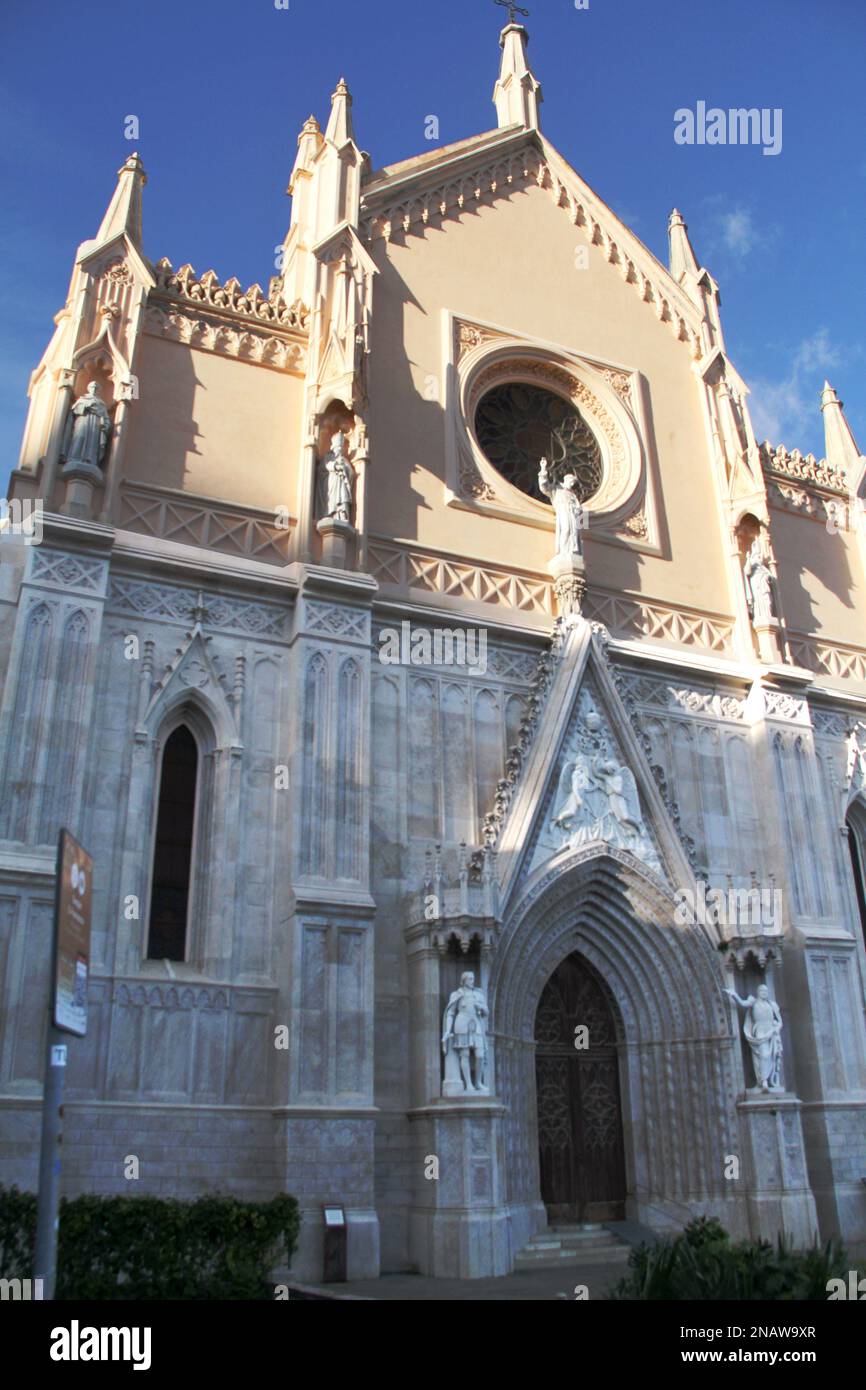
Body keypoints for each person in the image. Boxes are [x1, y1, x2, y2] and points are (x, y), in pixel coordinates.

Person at [725, 984, 783, 1091]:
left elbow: (780, 1022)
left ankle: (768, 1080)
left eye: (766, 991)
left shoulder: (772, 1004)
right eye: (762, 991)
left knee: (770, 1056)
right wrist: (734, 995)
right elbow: (742, 1003)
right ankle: (763, 1081)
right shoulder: (753, 1002)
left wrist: (777, 1028)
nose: (764, 993)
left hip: (770, 1031)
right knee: (764, 1055)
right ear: (758, 992)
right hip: (760, 1031)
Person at [442, 971, 488, 1093]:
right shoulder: (457, 994)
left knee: (480, 1055)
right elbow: (450, 1013)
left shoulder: (478, 995)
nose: (473, 981)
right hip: (461, 1024)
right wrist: (447, 1030)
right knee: (465, 1054)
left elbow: (486, 1012)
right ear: (464, 980)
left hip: (476, 1025)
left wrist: (481, 1007)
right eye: (470, 979)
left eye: (473, 978)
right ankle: (469, 1084)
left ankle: (478, 1082)